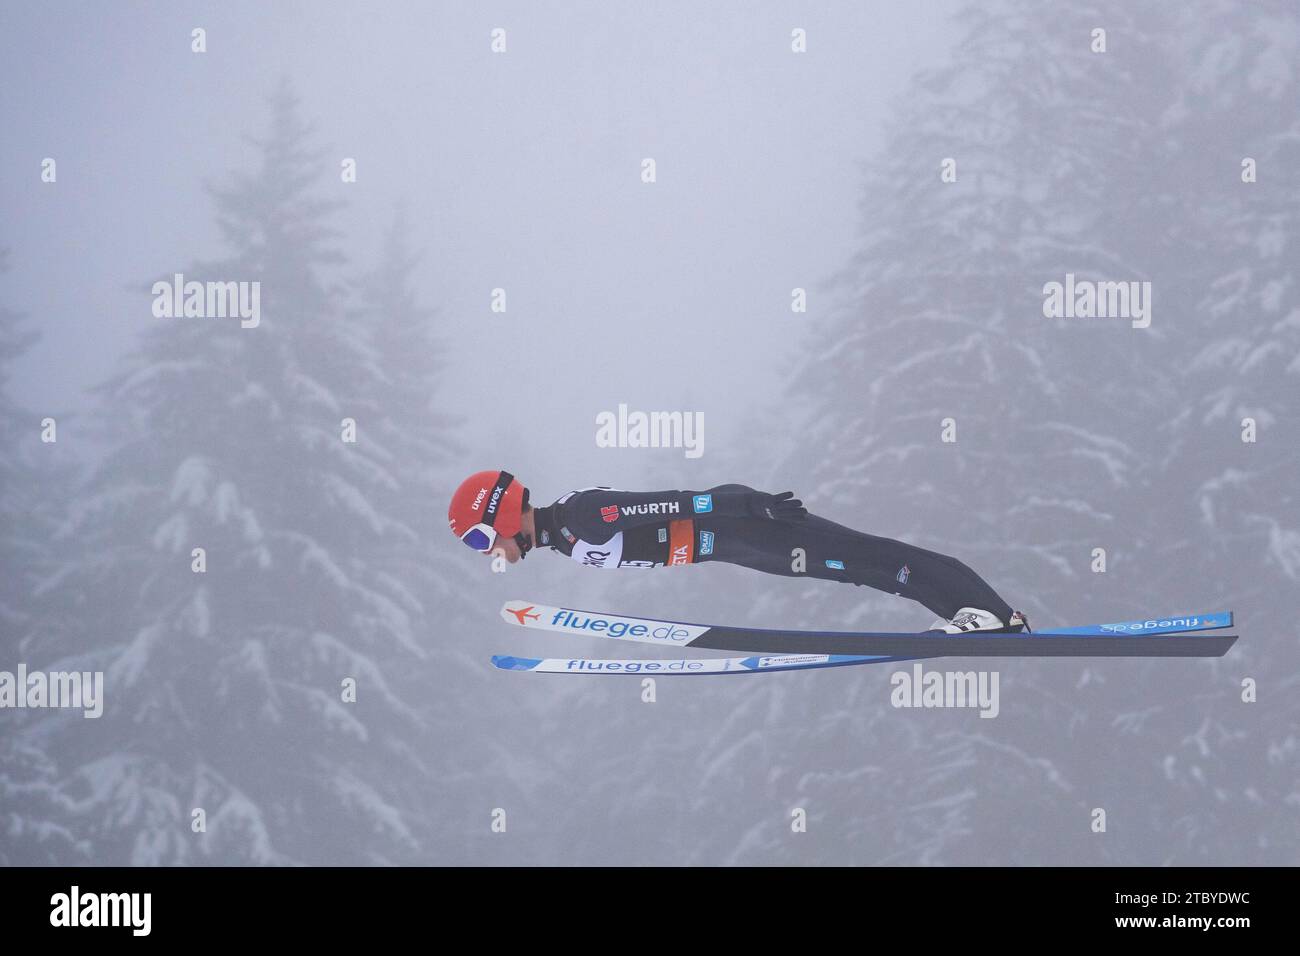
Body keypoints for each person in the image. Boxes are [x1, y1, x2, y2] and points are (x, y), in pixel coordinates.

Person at [447, 470, 1029, 634]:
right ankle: (972, 617)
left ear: (501, 516)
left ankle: (992, 617)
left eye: (479, 537)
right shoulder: (562, 534)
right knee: (866, 569)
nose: (486, 551)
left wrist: (753, 506)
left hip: (749, 530)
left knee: (869, 558)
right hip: (740, 545)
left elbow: (671, 503)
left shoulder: (577, 518)